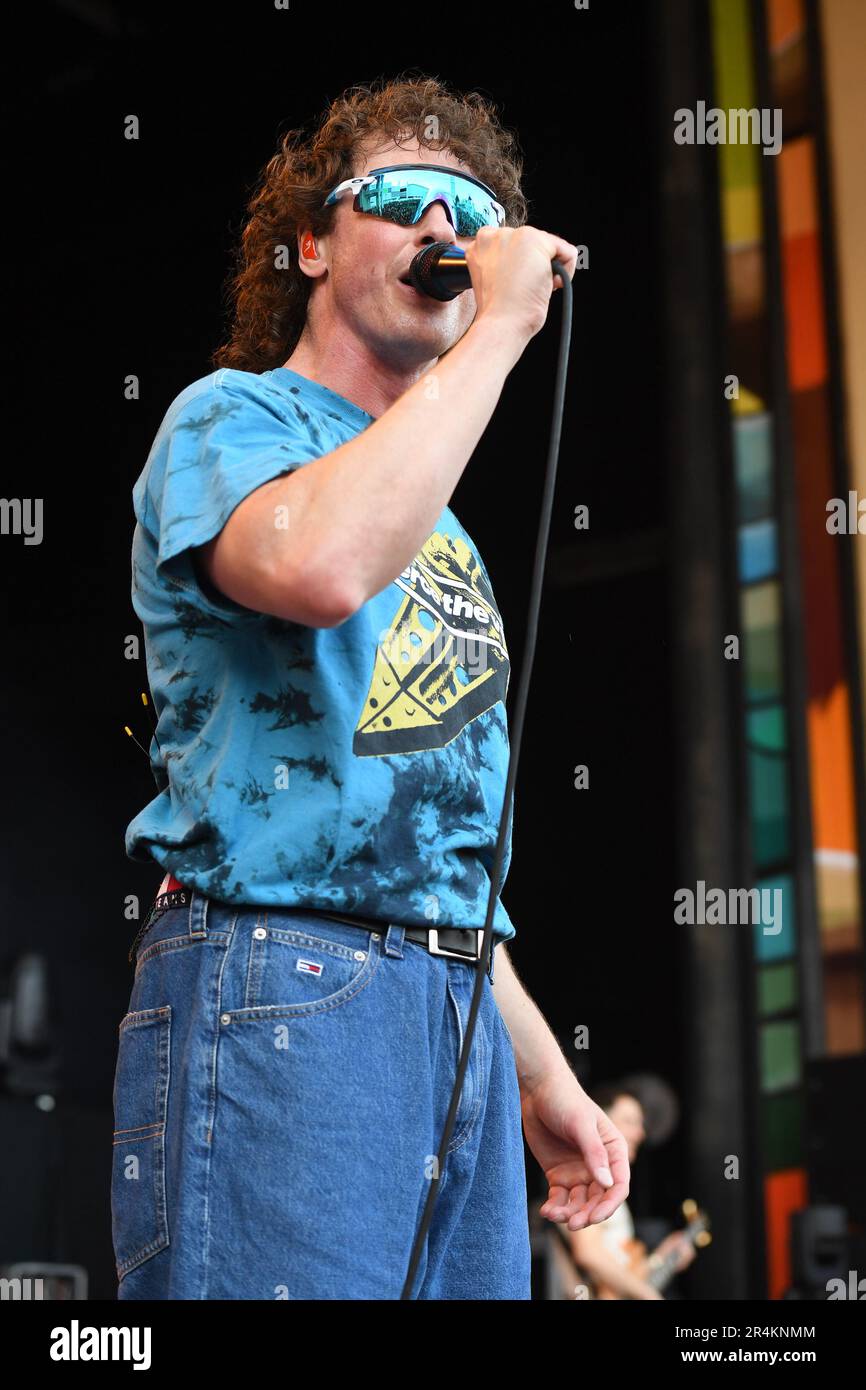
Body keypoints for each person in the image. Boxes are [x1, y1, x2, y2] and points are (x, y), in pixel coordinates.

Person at [112, 74, 629, 1301]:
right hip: (279, 983)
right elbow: (318, 565)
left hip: (450, 1021)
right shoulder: (228, 423)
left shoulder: (442, 533)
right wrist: (502, 329)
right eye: (402, 197)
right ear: (308, 240)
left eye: (470, 209)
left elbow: (424, 833)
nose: (444, 231)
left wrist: (539, 1069)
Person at [565, 1083, 695, 1300]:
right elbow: (588, 1253)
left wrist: (661, 1258)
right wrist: (648, 1294)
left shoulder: (608, 1184)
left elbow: (621, 1272)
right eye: (629, 1121)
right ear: (601, 1123)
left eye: (640, 1124)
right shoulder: (586, 1176)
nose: (640, 1133)